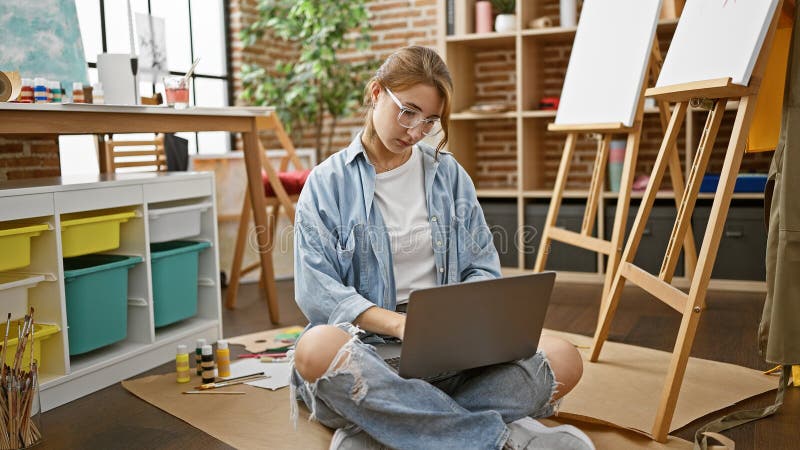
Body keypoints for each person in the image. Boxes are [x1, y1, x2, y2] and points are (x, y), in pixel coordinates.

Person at [289, 46, 591, 450]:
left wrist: (460, 326)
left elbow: (482, 267)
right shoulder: (326, 183)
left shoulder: (449, 175)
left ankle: (387, 429)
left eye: (430, 121)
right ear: (376, 92)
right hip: (371, 351)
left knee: (564, 356)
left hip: (450, 349)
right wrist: (398, 325)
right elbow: (317, 291)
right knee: (315, 349)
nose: (415, 131)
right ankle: (499, 439)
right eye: (408, 111)